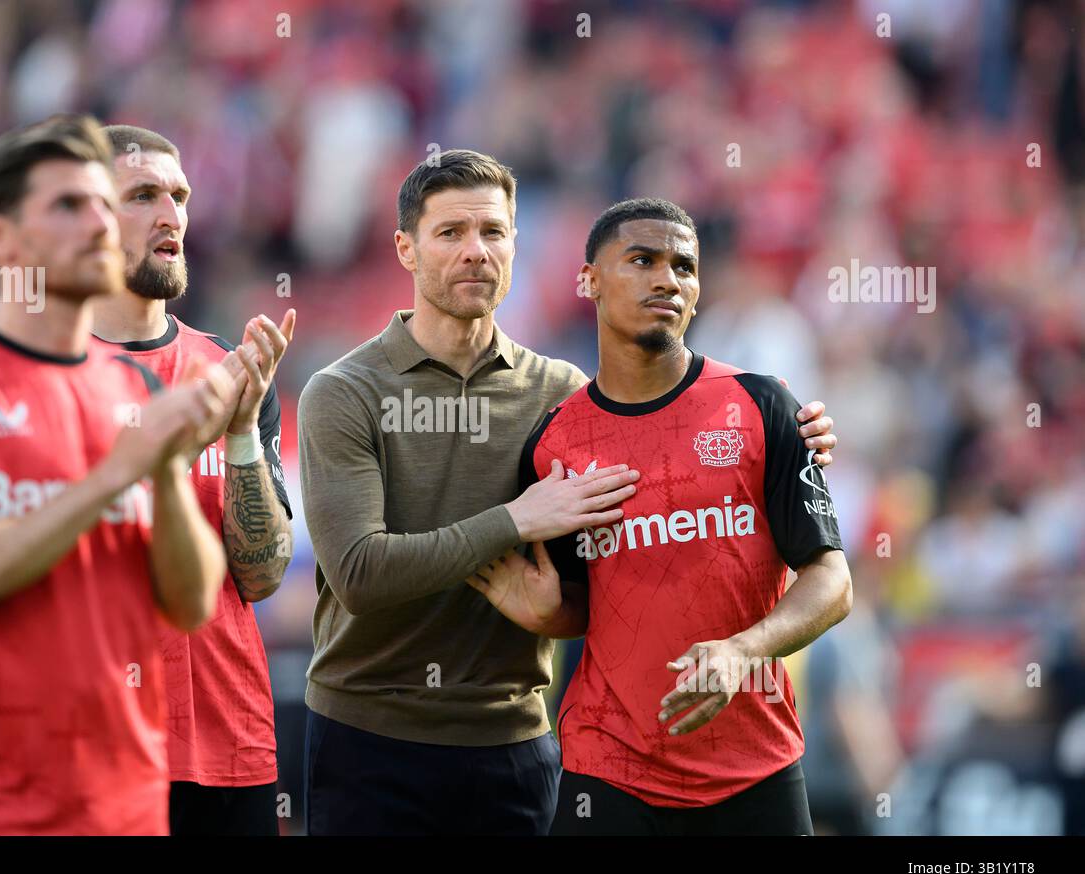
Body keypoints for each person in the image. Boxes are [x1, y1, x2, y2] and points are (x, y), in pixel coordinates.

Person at [296, 151, 839, 835]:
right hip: (368, 737)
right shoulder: (346, 392)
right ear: (405, 248)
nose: (475, 252)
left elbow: (606, 578)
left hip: (513, 740)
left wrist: (796, 433)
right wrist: (514, 520)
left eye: (493, 232)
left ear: (516, 245)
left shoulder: (565, 400)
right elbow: (360, 576)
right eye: (450, 233)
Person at [0, 115, 241, 835]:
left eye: (105, 205)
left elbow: (191, 599)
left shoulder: (133, 391)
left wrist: (166, 471)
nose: (101, 224)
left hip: (130, 803)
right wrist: (116, 475)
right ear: (0, 239)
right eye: (69, 206)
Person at [469, 197, 853, 835]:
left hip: (753, 767)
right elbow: (590, 604)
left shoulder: (763, 406)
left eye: (684, 267)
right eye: (642, 260)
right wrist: (548, 614)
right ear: (588, 279)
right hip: (608, 770)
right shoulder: (553, 445)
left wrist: (743, 652)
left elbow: (832, 582)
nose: (667, 279)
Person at [88, 124, 294, 836]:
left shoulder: (233, 372)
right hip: (88, 748)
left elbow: (263, 576)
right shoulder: (34, 377)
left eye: (179, 196)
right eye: (143, 195)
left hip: (228, 750)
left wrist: (238, 434)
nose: (172, 214)